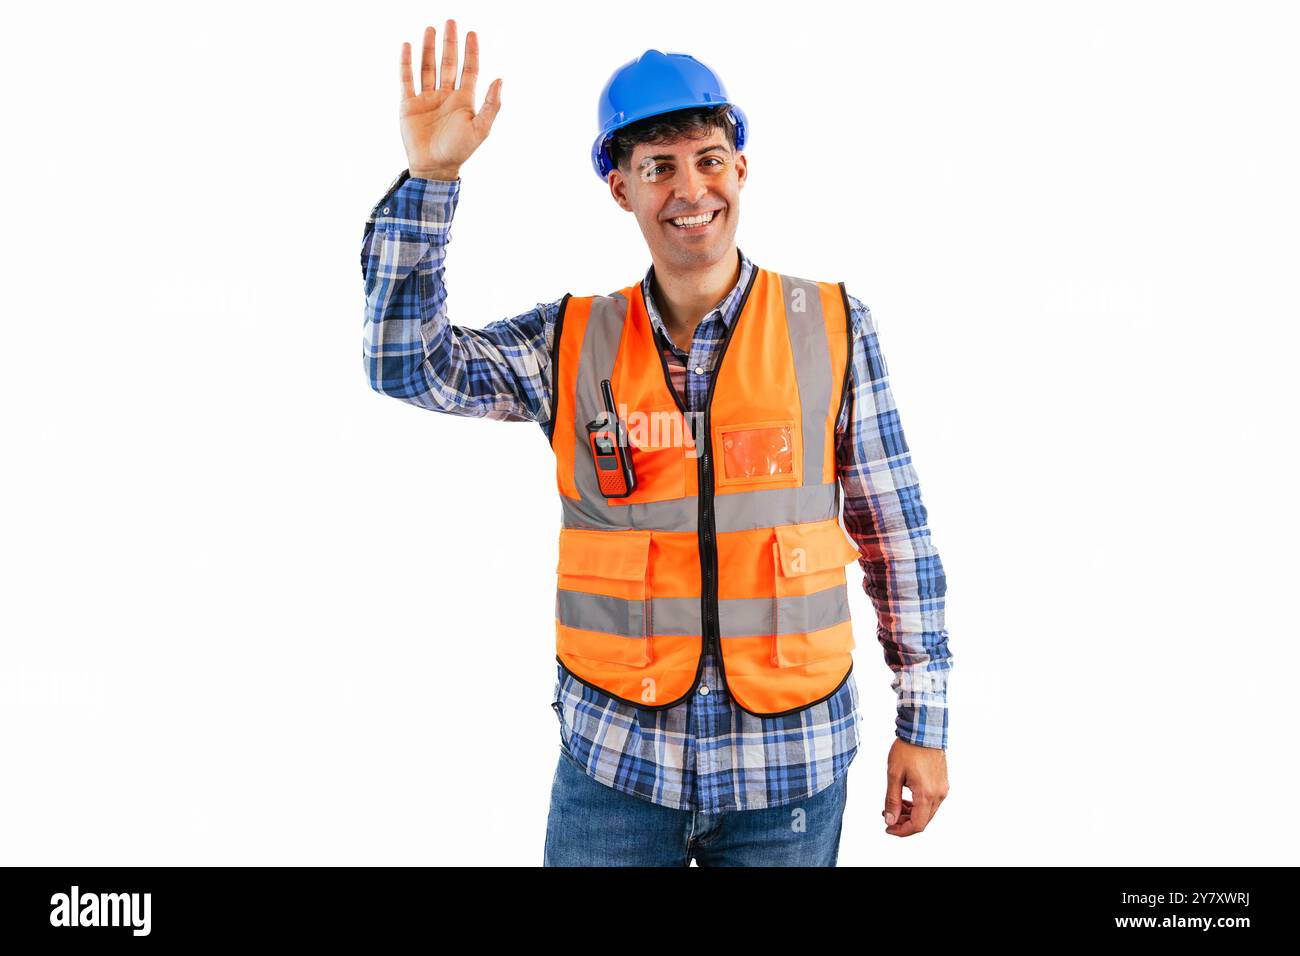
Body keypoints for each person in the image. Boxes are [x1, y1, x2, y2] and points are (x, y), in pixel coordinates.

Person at [361, 19, 952, 867]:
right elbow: (404, 365)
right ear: (621, 188)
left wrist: (924, 724)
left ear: (740, 169)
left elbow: (897, 539)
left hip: (788, 772)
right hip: (615, 772)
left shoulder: (832, 328)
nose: (691, 189)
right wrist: (432, 177)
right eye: (659, 167)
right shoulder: (567, 344)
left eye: (709, 159)